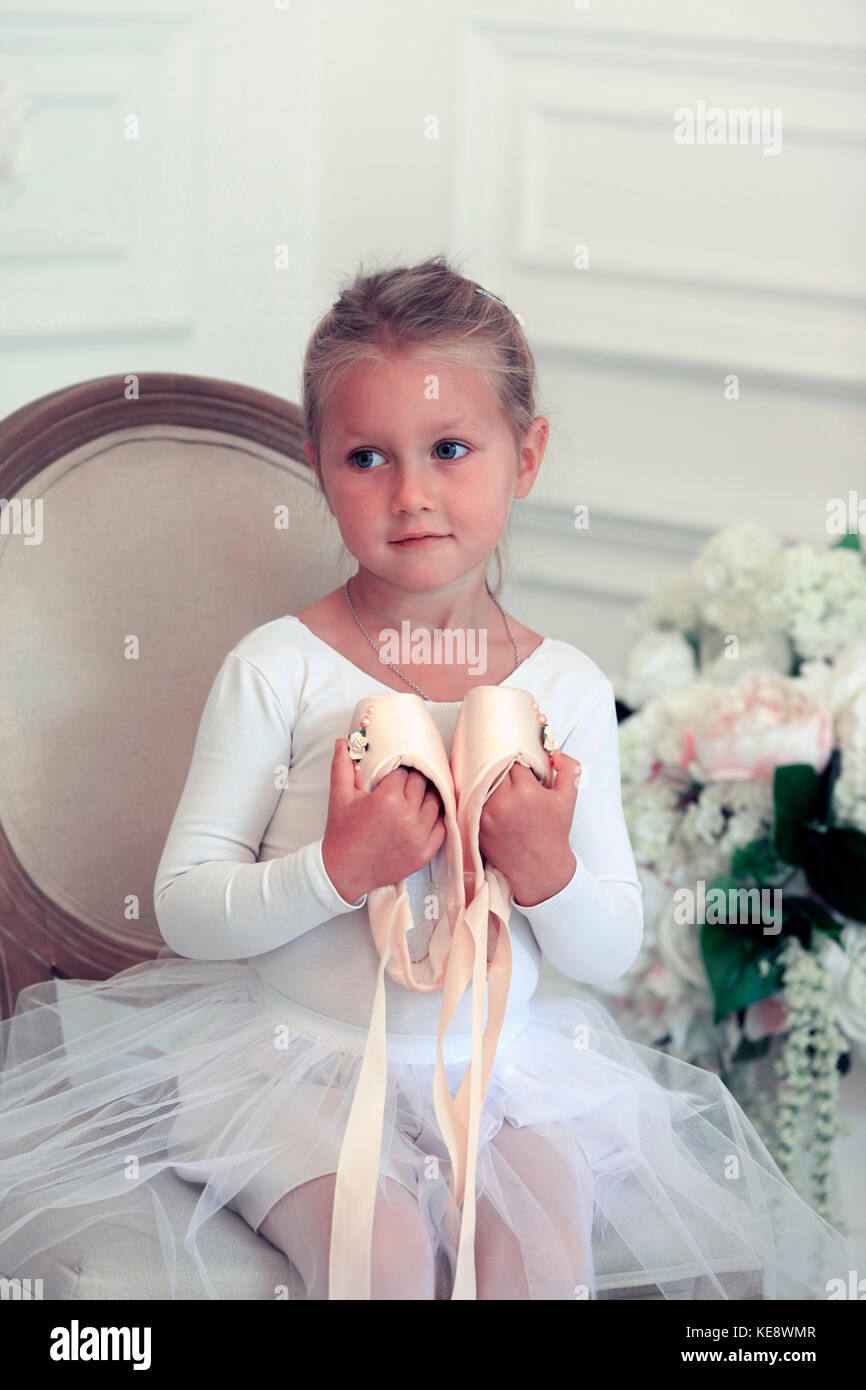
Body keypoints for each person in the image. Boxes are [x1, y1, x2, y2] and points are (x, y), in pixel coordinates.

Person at [1, 254, 862, 1301]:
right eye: (367, 456)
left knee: (537, 1259)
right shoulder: (278, 667)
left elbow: (610, 945)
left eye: (449, 448)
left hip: (506, 1074)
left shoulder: (565, 687)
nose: (410, 493)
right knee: (387, 1255)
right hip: (290, 1063)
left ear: (525, 455)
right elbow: (185, 907)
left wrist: (543, 865)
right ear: (319, 465)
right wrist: (334, 867)